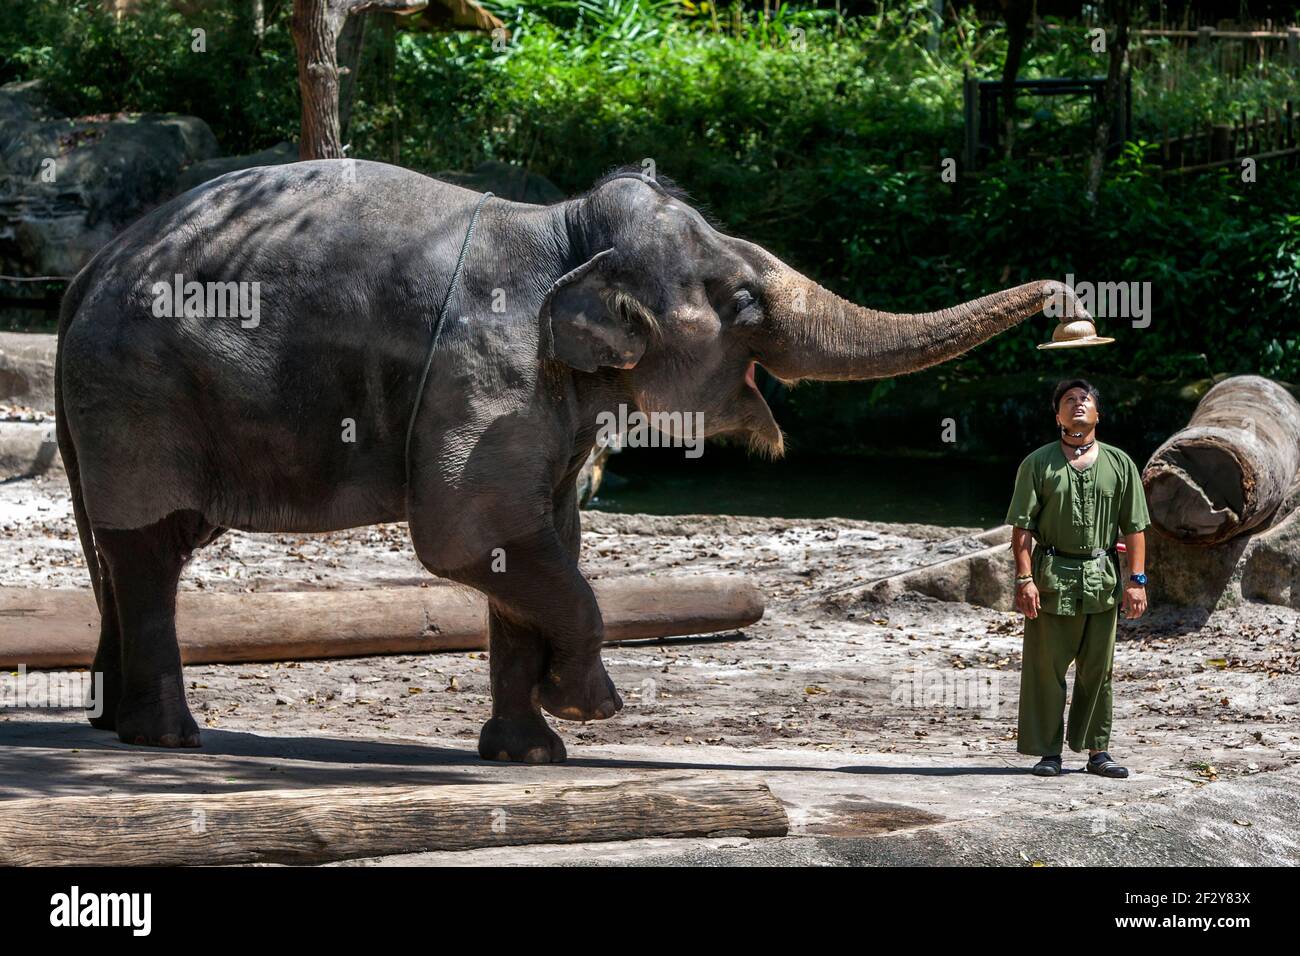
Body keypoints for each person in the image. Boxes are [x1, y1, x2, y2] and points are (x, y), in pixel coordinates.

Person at [1005, 379, 1151, 778]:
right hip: (1052, 578)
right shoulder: (1038, 464)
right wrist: (1024, 580)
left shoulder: (1121, 465)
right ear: (1058, 417)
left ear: (1097, 414)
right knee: (1044, 669)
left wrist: (1136, 581)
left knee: (1098, 670)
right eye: (1069, 400)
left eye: (1085, 399)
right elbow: (1022, 531)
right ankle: (1048, 752)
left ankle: (1097, 752)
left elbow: (1134, 528)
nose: (1078, 404)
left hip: (1102, 580)